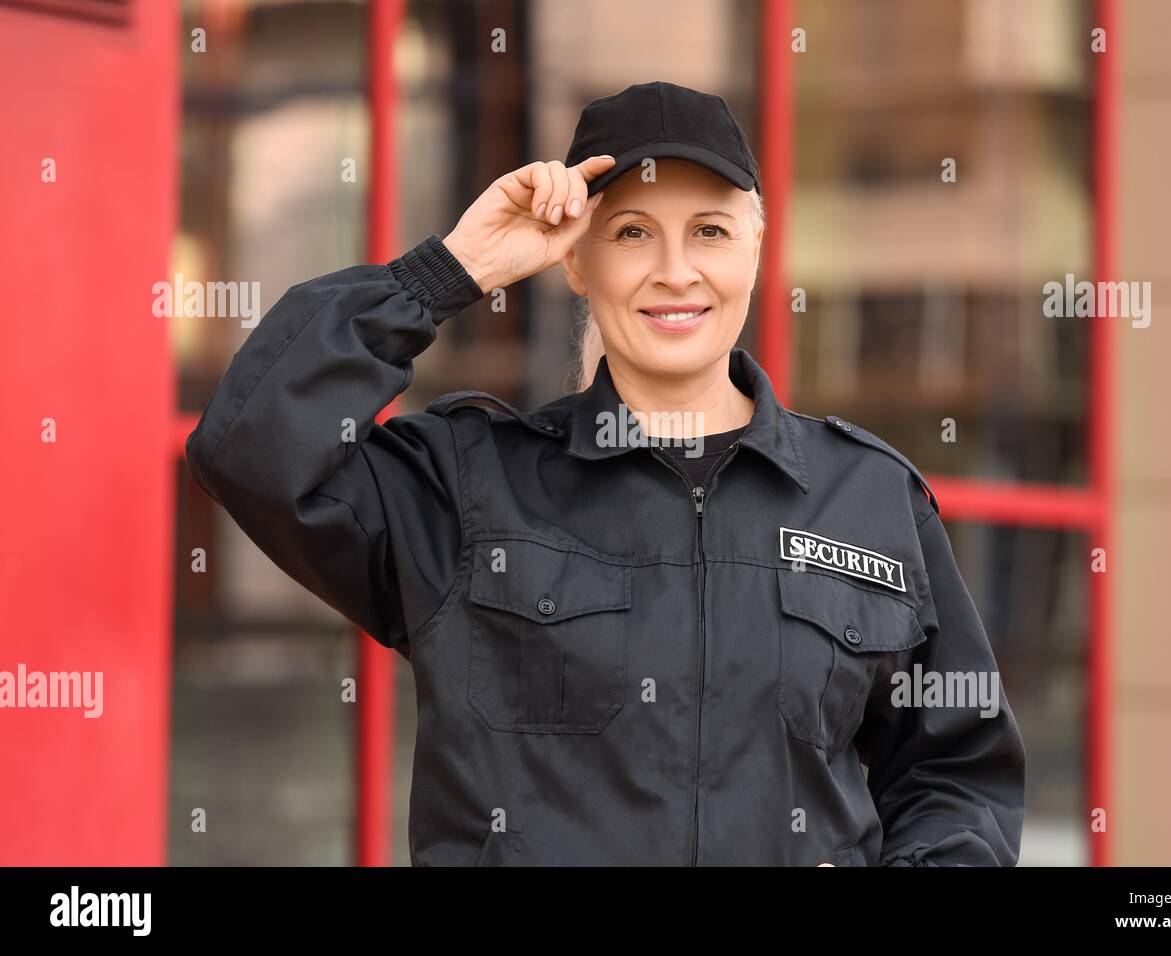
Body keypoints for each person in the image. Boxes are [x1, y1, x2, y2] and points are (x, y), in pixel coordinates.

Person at [186, 80, 1025, 866]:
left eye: (710, 230)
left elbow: (956, 774)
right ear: (577, 263)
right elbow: (251, 447)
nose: (675, 271)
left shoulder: (869, 499)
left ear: (756, 253)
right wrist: (447, 272)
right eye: (631, 233)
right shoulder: (469, 484)